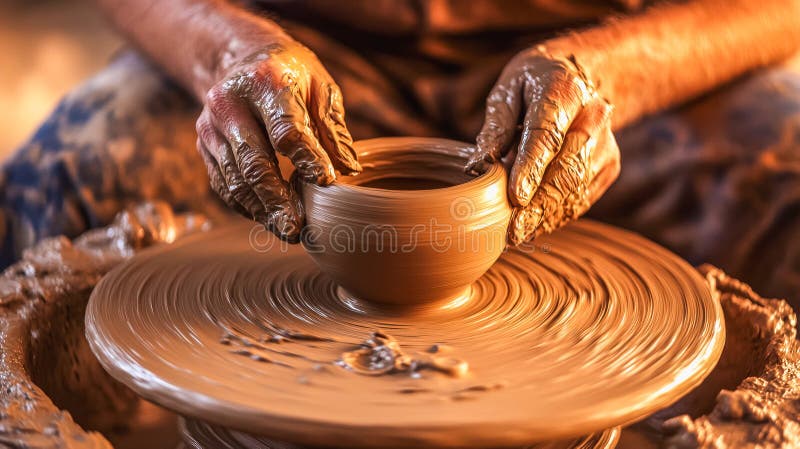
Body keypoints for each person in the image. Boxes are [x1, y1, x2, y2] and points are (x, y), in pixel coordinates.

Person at [1, 0, 799, 303]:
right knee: (62, 191)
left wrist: (612, 71)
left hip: (611, 48)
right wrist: (226, 53)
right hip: (292, 50)